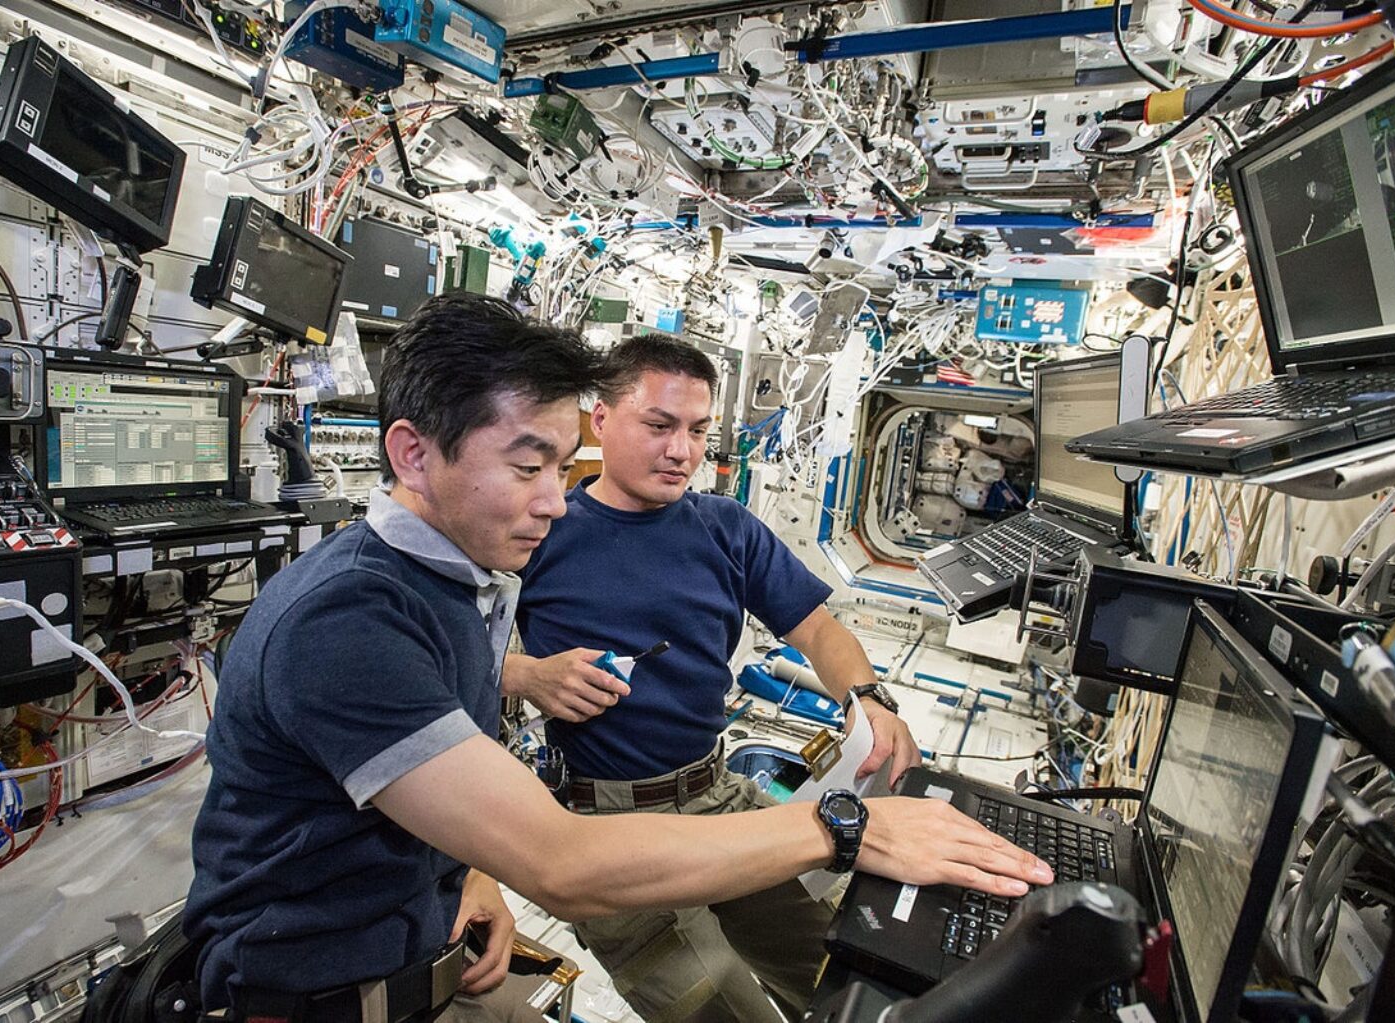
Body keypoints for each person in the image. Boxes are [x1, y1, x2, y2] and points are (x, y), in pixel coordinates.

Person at [185, 295, 1052, 1023]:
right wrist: (845, 826)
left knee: (848, 960)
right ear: (412, 452)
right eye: (529, 466)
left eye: (562, 468)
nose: (555, 503)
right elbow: (561, 861)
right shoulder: (347, 617)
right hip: (322, 985)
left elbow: (458, 761)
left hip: (446, 933)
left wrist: (469, 866)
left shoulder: (466, 584)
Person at [505, 334, 922, 1022]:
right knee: (720, 1006)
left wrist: (868, 699)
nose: (683, 452)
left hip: (717, 795)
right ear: (600, 421)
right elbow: (449, 655)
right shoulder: (541, 531)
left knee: (843, 976)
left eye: (699, 430)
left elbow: (817, 629)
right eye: (660, 426)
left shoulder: (726, 527)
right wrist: (528, 674)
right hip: (609, 827)